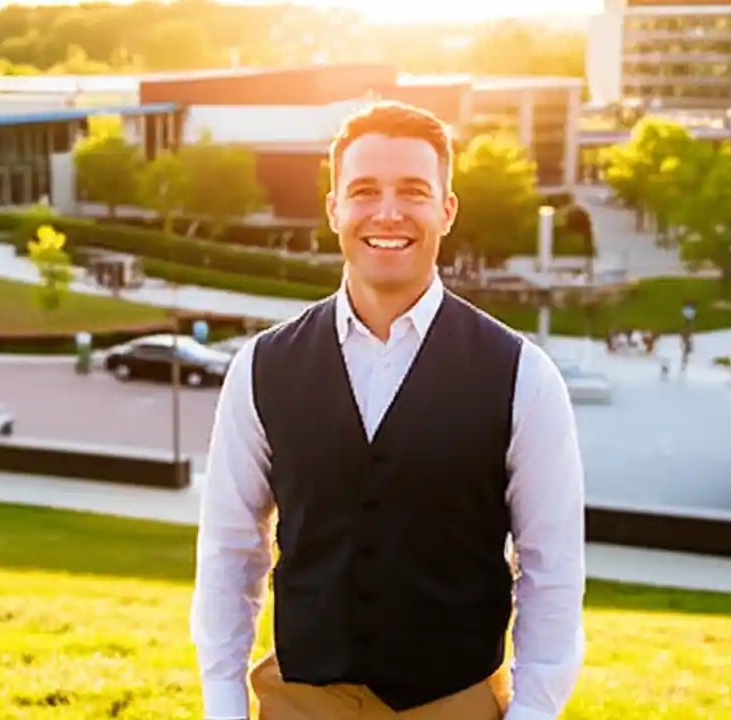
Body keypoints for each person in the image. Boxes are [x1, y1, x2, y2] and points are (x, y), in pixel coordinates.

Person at [191, 101, 586, 720]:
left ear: (447, 210)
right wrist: (223, 705)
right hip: (299, 703)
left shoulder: (523, 376)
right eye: (364, 191)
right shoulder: (261, 366)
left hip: (452, 704)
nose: (388, 213)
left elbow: (551, 570)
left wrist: (532, 712)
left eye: (414, 191)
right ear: (334, 209)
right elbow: (229, 550)